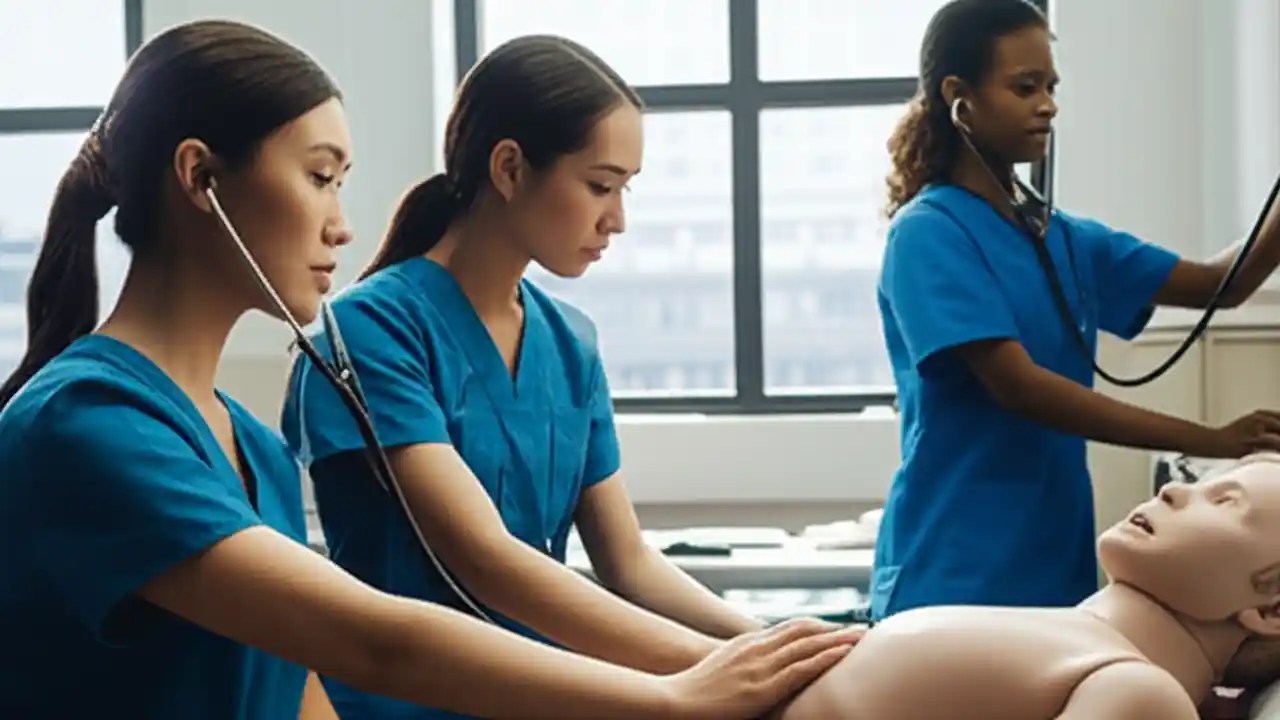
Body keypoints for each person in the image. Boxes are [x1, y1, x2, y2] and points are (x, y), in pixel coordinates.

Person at [0, 19, 860, 719]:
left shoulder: (253, 451)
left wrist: (758, 652)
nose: (341, 225)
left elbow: (297, 692)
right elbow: (373, 642)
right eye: (320, 177)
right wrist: (681, 696)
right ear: (201, 178)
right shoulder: (88, 426)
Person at [280, 33, 793, 719]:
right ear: (511, 168)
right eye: (599, 186)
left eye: (625, 190)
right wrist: (717, 670)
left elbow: (629, 564)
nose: (617, 220)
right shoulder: (371, 331)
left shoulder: (571, 343)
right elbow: (485, 560)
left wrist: (776, 643)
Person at [873, 0, 1280, 621]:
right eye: (1025, 87)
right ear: (961, 97)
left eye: (1052, 86)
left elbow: (1222, 285)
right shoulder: (929, 235)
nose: (1048, 105)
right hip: (955, 570)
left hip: (1052, 571)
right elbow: (1023, 389)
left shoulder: (1059, 235)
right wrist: (1211, 441)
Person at [769, 454, 1280, 719]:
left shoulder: (1139, 693)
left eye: (1225, 501)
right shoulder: (1081, 642)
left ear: (1271, 611)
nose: (1172, 489)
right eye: (1195, 481)